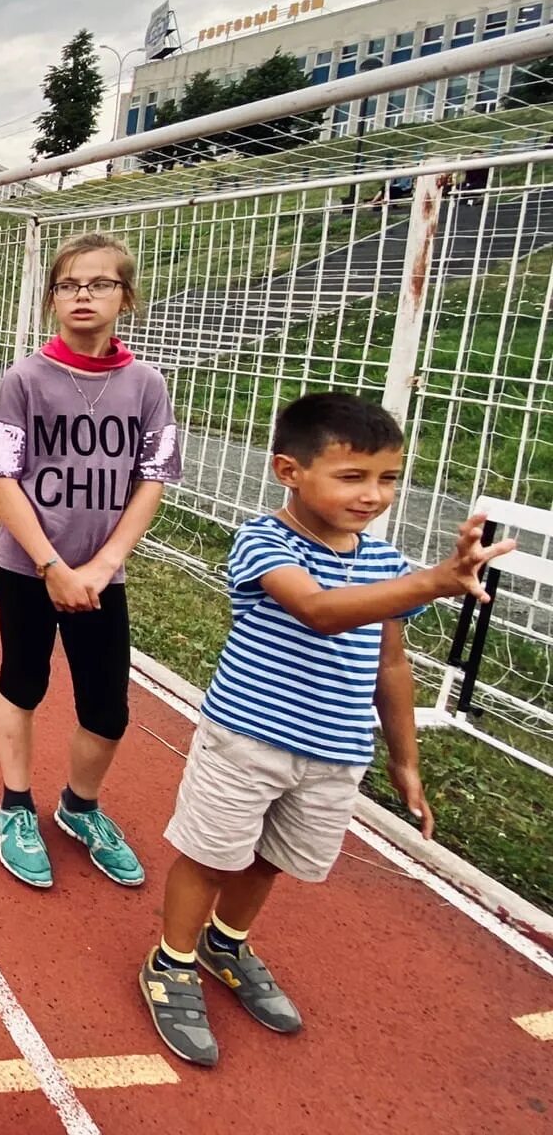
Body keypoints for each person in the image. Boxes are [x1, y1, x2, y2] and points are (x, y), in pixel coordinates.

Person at [138, 393, 513, 1067]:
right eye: (352, 476)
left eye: (388, 478)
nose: (373, 495)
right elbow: (317, 610)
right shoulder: (264, 540)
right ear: (289, 469)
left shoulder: (386, 562)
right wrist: (431, 582)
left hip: (336, 750)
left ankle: (228, 942)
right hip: (248, 738)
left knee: (273, 857)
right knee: (211, 853)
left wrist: (406, 760)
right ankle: (173, 960)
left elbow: (390, 661)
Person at [0, 231, 182, 891]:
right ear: (51, 298)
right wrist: (52, 564)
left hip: (100, 573)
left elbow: (153, 478)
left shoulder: (146, 384)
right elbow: (2, 476)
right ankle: (15, 805)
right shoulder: (24, 379)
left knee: (106, 707)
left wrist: (101, 563)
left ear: (126, 296)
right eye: (68, 285)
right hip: (27, 566)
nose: (83, 295)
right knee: (24, 680)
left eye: (99, 284)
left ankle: (80, 806)